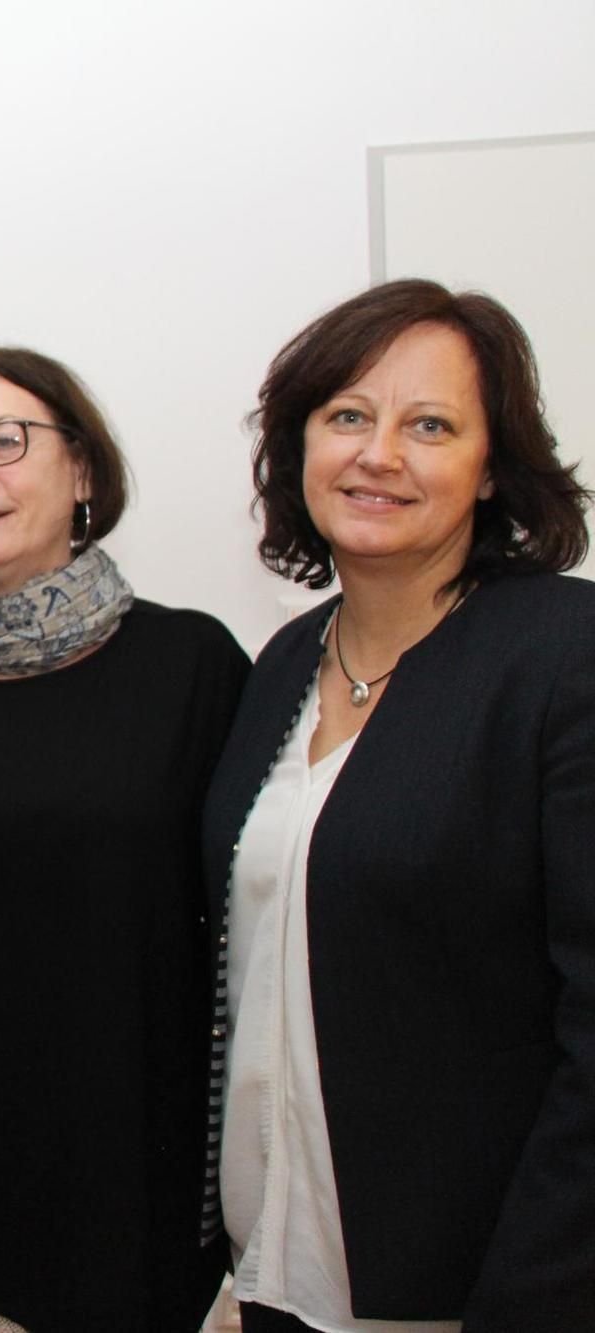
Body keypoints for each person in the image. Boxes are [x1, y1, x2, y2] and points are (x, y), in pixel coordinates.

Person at [203, 279, 595, 1331]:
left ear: (488, 467)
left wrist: (530, 1299)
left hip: (477, 1292)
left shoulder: (562, 656)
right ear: (297, 449)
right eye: (345, 417)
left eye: (428, 425)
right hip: (278, 1282)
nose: (377, 454)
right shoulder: (282, 661)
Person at [0, 347, 249, 1332]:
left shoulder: (190, 665)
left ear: (80, 470)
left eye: (3, 441)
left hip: (127, 1198)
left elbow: (252, 936)